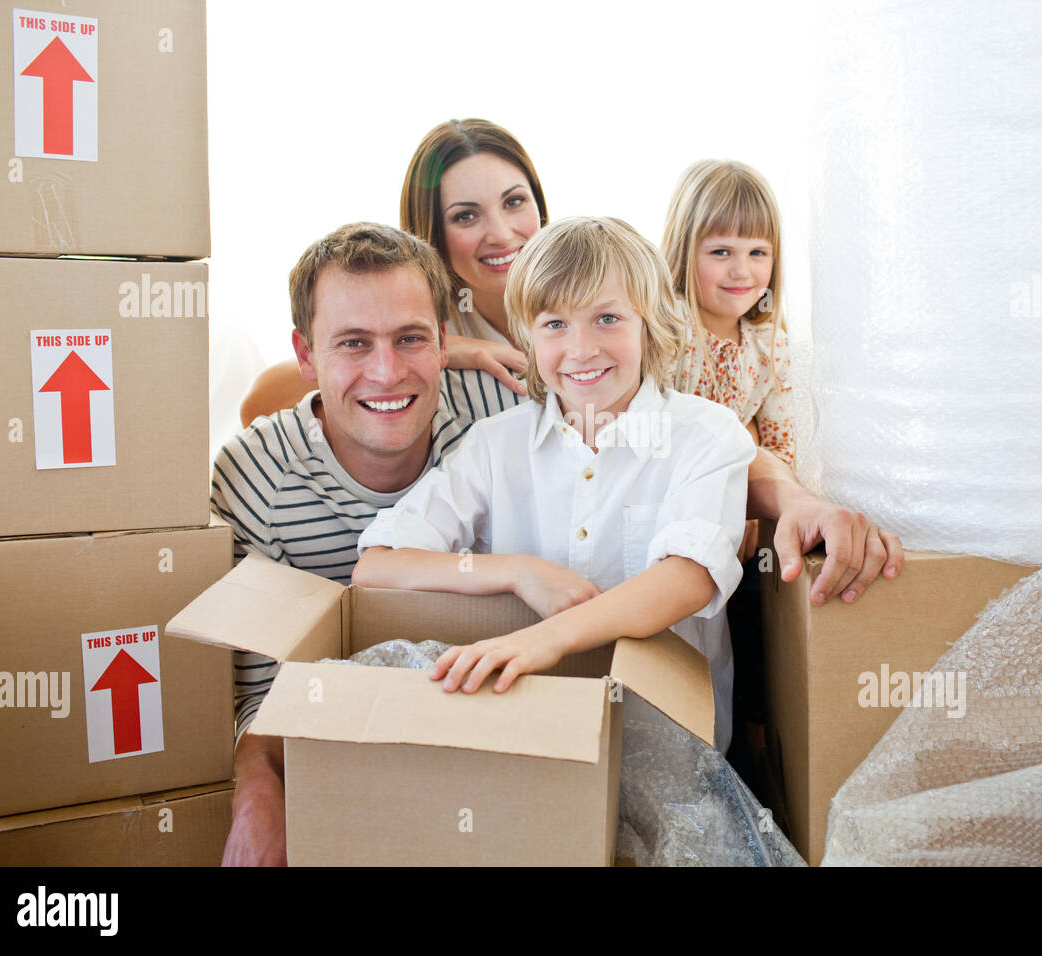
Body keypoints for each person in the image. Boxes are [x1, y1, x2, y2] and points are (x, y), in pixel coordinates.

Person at [352, 216, 756, 751]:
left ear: (649, 324)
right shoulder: (494, 446)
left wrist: (549, 639)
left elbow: (688, 579)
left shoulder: (705, 435)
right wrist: (520, 572)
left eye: (607, 318)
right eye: (555, 325)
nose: (581, 349)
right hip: (529, 738)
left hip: (665, 744)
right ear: (529, 336)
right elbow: (377, 565)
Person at [211, 221, 478, 866]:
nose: (386, 373)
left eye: (410, 338)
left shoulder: (492, 431)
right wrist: (255, 787)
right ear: (305, 356)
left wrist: (773, 485)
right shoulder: (254, 478)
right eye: (353, 344)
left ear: (444, 342)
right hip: (329, 756)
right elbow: (249, 692)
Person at [239, 119, 547, 427]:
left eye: (514, 201)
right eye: (466, 216)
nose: (501, 234)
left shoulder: (587, 286)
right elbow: (258, 405)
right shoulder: (415, 320)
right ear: (433, 233)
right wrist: (442, 348)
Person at [661, 159, 793, 782]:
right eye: (720, 250)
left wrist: (760, 510)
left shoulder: (769, 344)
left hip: (740, 529)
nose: (742, 271)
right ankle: (705, 753)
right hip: (677, 518)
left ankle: (754, 757)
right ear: (685, 253)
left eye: (757, 251)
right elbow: (668, 433)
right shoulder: (669, 333)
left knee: (752, 637)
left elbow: (781, 438)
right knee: (686, 650)